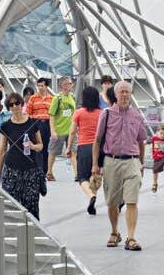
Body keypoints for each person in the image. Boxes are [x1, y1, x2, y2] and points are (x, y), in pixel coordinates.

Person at [92, 80, 149, 251]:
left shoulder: (137, 116)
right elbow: (97, 140)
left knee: (132, 200)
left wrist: (141, 163)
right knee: (112, 202)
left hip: (132, 161)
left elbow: (141, 141)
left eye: (127, 92)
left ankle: (131, 238)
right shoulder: (107, 114)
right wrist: (95, 165)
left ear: (131, 94)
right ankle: (115, 232)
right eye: (121, 92)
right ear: (115, 95)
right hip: (111, 161)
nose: (124, 95)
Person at [0, 91, 44, 218]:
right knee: (12, 207)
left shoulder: (33, 123)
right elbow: (1, 151)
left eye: (17, 103)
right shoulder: (6, 126)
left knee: (32, 206)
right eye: (11, 105)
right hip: (11, 170)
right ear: (9, 108)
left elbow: (41, 145)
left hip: (31, 170)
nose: (15, 106)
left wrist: (33, 146)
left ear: (22, 104)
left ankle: (33, 234)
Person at [68, 84, 103, 215]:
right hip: (99, 148)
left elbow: (72, 132)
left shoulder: (79, 112)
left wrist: (69, 147)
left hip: (84, 147)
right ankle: (94, 197)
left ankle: (91, 196)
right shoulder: (102, 113)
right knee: (96, 176)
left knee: (82, 177)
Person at [46, 75, 76, 181]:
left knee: (72, 151)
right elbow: (52, 115)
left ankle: (77, 174)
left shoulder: (72, 97)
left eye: (71, 83)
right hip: (59, 130)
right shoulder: (57, 98)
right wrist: (53, 131)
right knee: (53, 151)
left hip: (71, 130)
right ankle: (49, 172)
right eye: (68, 83)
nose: (70, 85)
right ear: (62, 85)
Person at [26, 77, 53, 185]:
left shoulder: (52, 99)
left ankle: (45, 171)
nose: (40, 87)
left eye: (42, 85)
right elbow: (28, 112)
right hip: (36, 124)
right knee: (37, 148)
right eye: (39, 85)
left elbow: (54, 114)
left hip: (47, 124)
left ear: (46, 86)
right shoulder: (33, 98)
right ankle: (38, 170)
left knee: (46, 148)